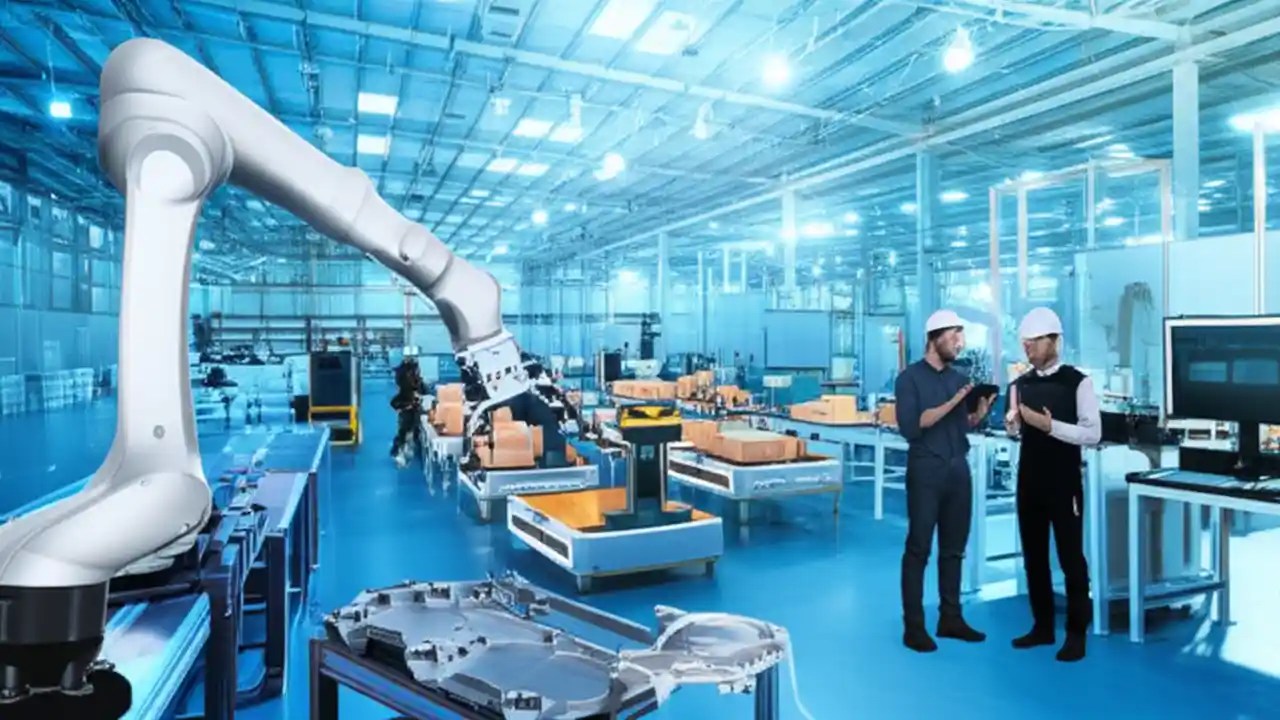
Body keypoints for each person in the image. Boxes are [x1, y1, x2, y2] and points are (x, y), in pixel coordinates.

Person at [896, 309, 995, 652]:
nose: (959, 343)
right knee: (919, 547)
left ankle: (950, 618)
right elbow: (912, 425)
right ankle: (914, 627)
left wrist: (976, 416)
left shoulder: (958, 378)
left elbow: (958, 424)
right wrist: (954, 401)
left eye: (961, 336)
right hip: (925, 470)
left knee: (953, 550)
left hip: (957, 469)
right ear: (934, 337)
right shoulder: (909, 379)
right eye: (954, 336)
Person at [1005, 307, 1100, 662]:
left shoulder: (1078, 383)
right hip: (1030, 480)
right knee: (1034, 557)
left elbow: (1093, 433)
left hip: (1064, 483)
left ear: (1055, 341)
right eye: (1025, 343)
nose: (1028, 348)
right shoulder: (1021, 385)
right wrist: (1015, 426)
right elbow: (1015, 431)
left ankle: (1077, 633)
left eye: (1035, 342)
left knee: (1071, 558)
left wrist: (1050, 426)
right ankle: (1042, 626)